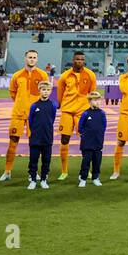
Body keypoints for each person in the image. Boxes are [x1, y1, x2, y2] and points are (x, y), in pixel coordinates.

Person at [0, 47, 48, 182]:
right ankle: (7, 171)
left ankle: (33, 172)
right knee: (13, 142)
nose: (32, 59)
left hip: (35, 116)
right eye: (30, 57)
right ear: (25, 58)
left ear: (37, 59)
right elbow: (13, 93)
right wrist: (21, 104)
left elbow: (45, 93)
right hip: (18, 114)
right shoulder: (17, 75)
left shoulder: (43, 75)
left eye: (34, 57)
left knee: (35, 144)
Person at [55, 52, 97, 181]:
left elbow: (93, 93)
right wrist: (64, 106)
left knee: (85, 141)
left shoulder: (90, 75)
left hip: (83, 112)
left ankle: (87, 170)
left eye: (82, 59)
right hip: (67, 111)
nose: (80, 61)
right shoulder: (65, 75)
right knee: (64, 140)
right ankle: (64, 171)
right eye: (77, 59)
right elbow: (60, 93)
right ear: (73, 60)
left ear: (84, 61)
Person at [26, 79, 56, 189]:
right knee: (33, 160)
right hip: (35, 138)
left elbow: (51, 119)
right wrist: (35, 132)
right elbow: (30, 120)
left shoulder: (53, 105)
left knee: (46, 160)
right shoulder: (34, 106)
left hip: (47, 137)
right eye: (44, 90)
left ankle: (44, 179)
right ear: (39, 90)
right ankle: (33, 180)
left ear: (51, 91)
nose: (46, 92)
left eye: (48, 90)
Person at [77, 91, 107, 187]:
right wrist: (85, 136)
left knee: (97, 162)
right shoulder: (85, 113)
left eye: (99, 100)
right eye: (95, 100)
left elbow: (104, 126)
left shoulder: (102, 113)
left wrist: (99, 136)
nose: (97, 102)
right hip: (87, 143)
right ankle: (83, 178)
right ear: (90, 101)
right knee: (86, 162)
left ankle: (95, 178)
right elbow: (80, 127)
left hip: (98, 142)